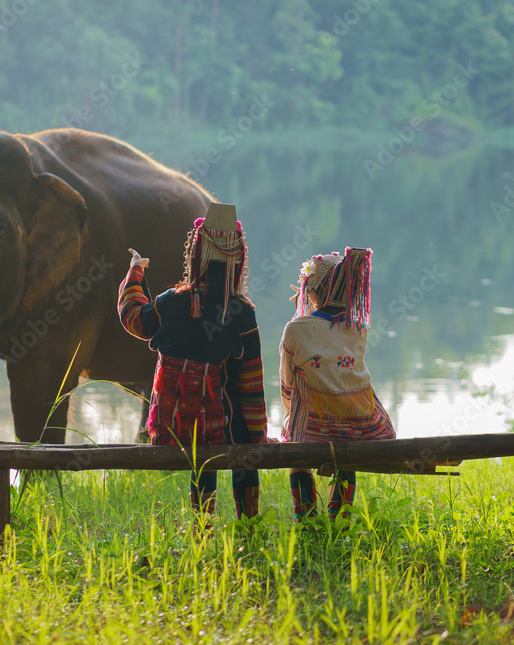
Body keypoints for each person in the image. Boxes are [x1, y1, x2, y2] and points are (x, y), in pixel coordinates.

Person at [118, 203, 270, 520]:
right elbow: (251, 384)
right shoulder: (242, 311)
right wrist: (258, 437)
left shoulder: (173, 301)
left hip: (175, 429)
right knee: (237, 435)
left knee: (202, 440)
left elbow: (134, 317)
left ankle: (202, 529)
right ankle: (249, 528)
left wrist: (136, 271)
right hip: (225, 430)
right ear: (237, 258)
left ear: (196, 254)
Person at [279, 248, 395, 521]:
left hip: (313, 427)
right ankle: (339, 519)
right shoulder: (358, 327)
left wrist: (290, 415)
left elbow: (287, 386)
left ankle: (307, 522)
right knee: (346, 440)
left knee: (298, 453)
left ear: (313, 291)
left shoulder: (294, 329)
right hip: (363, 424)